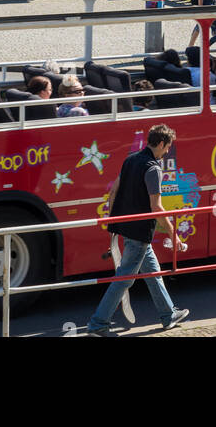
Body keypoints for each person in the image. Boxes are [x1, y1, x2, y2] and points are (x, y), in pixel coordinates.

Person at [85, 124, 189, 336]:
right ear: (160, 144)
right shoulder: (153, 168)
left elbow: (114, 190)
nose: (168, 151)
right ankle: (98, 324)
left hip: (126, 226)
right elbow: (156, 206)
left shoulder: (130, 159)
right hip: (139, 231)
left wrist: (113, 222)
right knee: (124, 279)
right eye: (168, 147)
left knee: (154, 273)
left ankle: (168, 315)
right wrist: (173, 233)